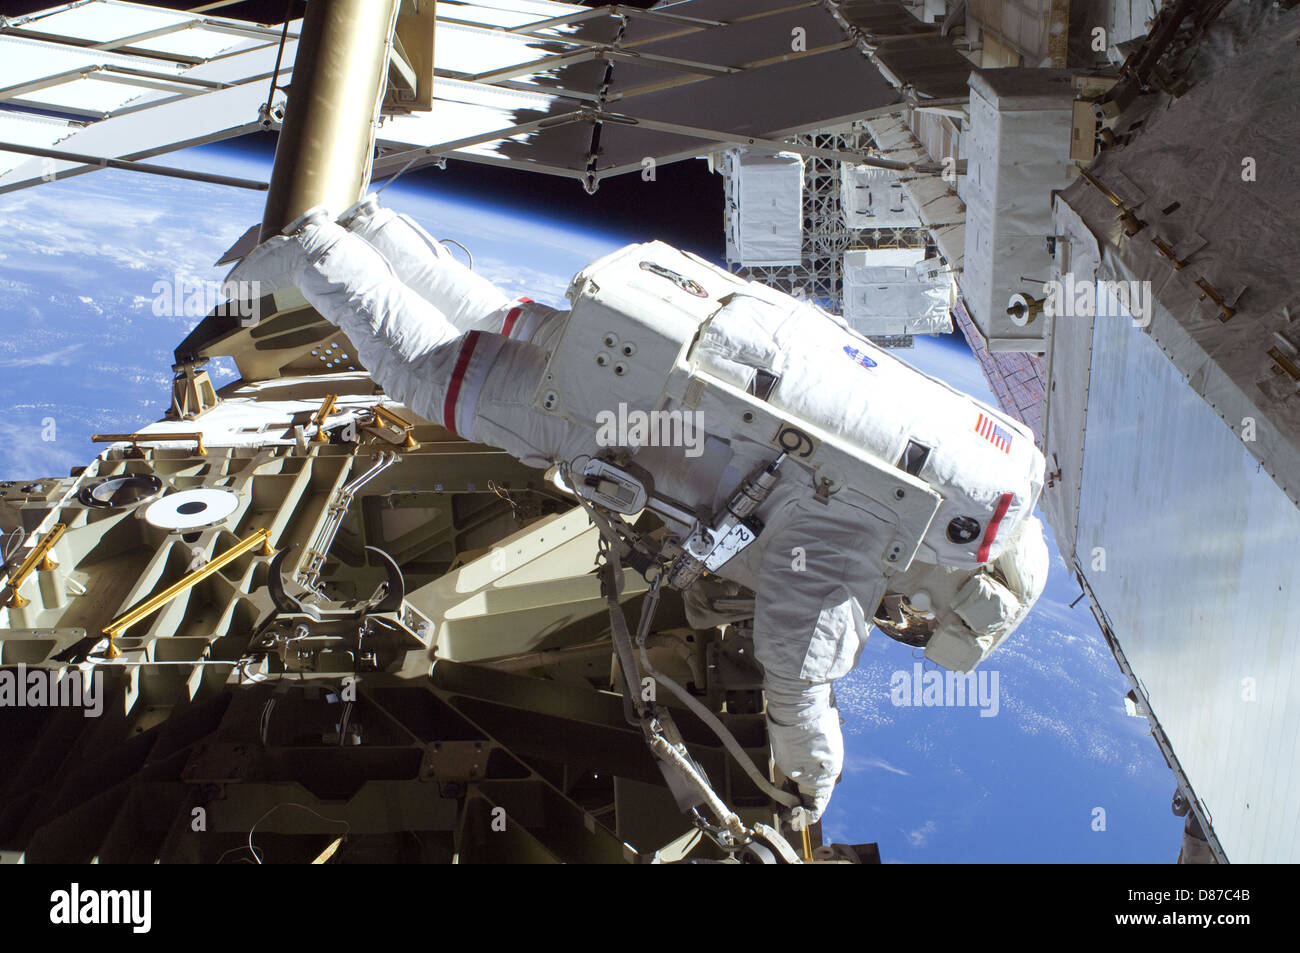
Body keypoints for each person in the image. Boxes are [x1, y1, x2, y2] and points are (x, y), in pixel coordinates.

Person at [231, 196, 1049, 824]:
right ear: (959, 594)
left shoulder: (923, 477)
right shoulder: (878, 532)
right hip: (619, 417)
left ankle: (373, 230)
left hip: (657, 346)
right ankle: (317, 251)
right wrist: (814, 766)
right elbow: (798, 659)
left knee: (492, 319)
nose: (899, 618)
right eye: (916, 622)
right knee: (428, 369)